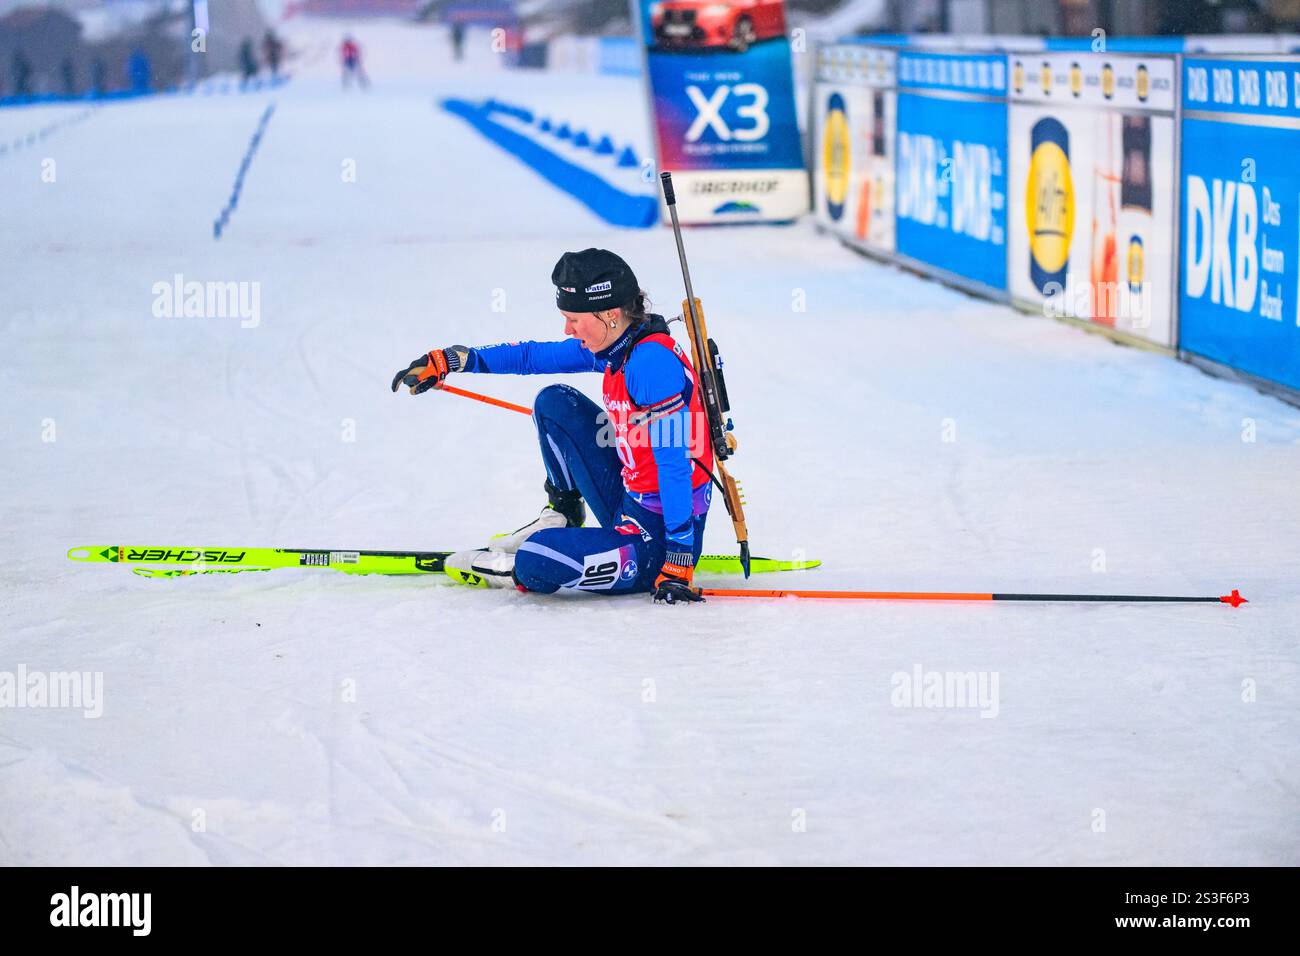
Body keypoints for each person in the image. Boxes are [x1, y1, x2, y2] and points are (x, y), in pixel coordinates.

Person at [391, 249, 713, 604]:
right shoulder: (617, 345)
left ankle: (520, 564)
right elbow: (531, 356)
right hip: (628, 499)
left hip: (660, 535)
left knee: (537, 560)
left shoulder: (651, 363)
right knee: (554, 402)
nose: (567, 329)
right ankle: (562, 515)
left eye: (574, 319)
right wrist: (454, 359)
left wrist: (679, 557)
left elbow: (674, 465)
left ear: (609, 312)